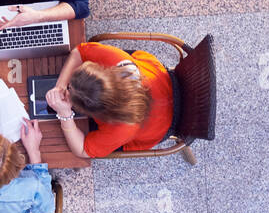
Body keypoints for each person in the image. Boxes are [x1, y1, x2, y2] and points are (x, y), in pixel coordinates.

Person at [44, 41, 174, 160]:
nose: (68, 87)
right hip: (163, 82)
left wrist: (65, 114)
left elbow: (83, 150)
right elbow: (80, 51)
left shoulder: (120, 129)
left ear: (95, 114)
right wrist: (60, 85)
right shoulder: (119, 61)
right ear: (102, 71)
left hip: (159, 127)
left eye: (69, 87)